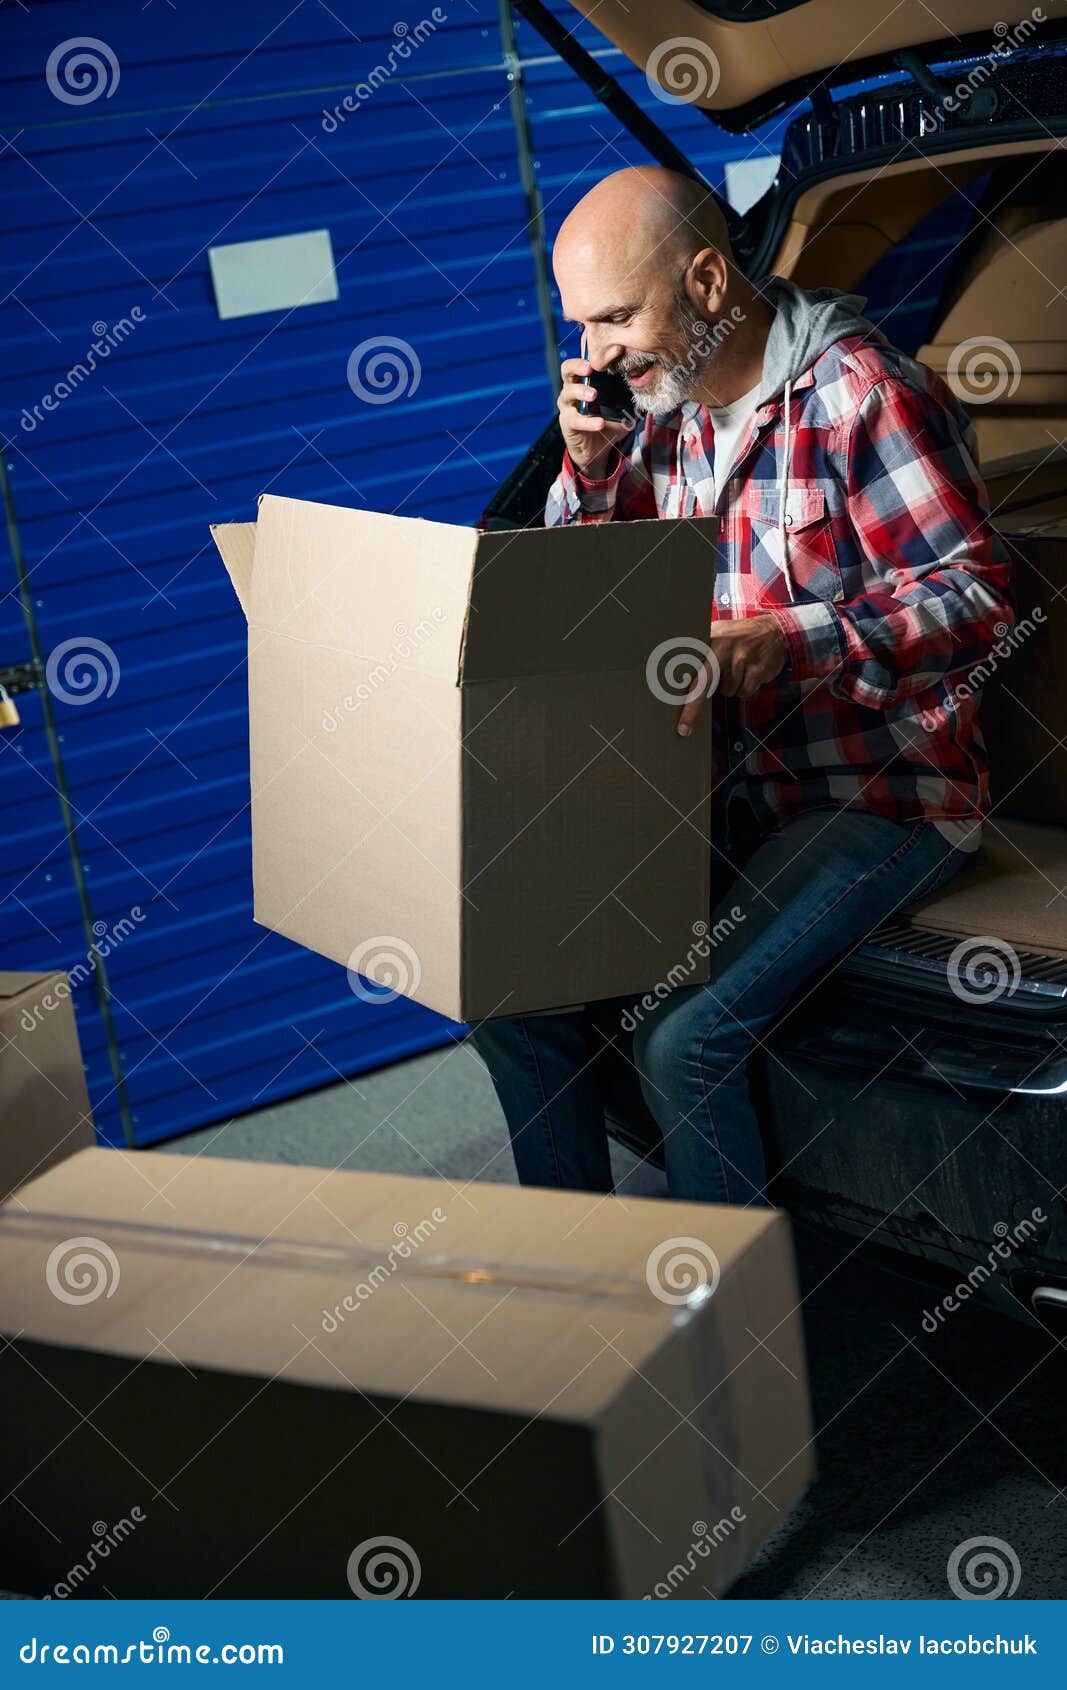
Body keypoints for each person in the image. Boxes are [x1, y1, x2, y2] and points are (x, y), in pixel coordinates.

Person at [472, 166, 1013, 1206]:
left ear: (711, 280)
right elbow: (590, 602)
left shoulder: (865, 397)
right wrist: (586, 469)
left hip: (879, 797)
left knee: (684, 1042)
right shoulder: (659, 412)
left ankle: (729, 1343)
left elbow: (977, 599)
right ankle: (576, 1292)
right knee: (511, 993)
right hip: (718, 793)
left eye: (616, 316)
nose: (596, 354)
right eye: (581, 326)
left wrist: (790, 640)